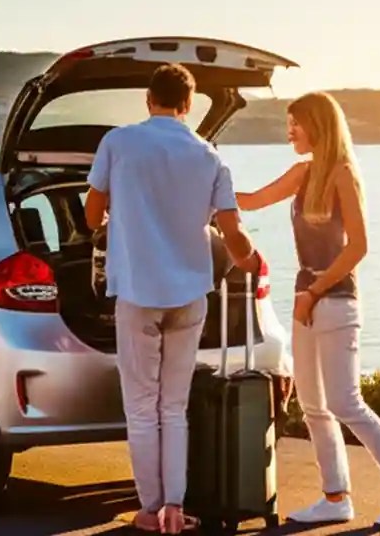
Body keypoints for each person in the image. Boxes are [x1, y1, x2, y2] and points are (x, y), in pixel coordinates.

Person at [237, 91, 380, 527]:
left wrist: (315, 291)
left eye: (296, 124)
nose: (289, 131)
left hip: (336, 301)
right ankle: (335, 496)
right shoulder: (302, 174)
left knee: (346, 402)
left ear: (318, 126)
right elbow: (250, 200)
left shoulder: (342, 174)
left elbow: (358, 246)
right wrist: (204, 186)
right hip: (308, 298)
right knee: (313, 405)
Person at [85, 63, 262, 534]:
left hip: (138, 294)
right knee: (174, 406)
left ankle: (149, 509)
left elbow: (90, 213)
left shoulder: (117, 143)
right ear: (188, 104)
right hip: (189, 294)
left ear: (148, 98)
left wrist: (117, 220)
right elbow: (233, 232)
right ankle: (176, 510)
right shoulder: (209, 157)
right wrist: (252, 261)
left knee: (142, 406)